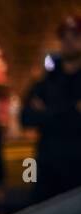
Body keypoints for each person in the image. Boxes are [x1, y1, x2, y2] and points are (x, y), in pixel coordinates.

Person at [22, 16, 81, 203]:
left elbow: (39, 117)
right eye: (64, 36)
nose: (69, 41)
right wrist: (72, 110)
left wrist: (46, 113)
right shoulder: (45, 81)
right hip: (47, 172)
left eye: (75, 36)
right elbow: (26, 118)